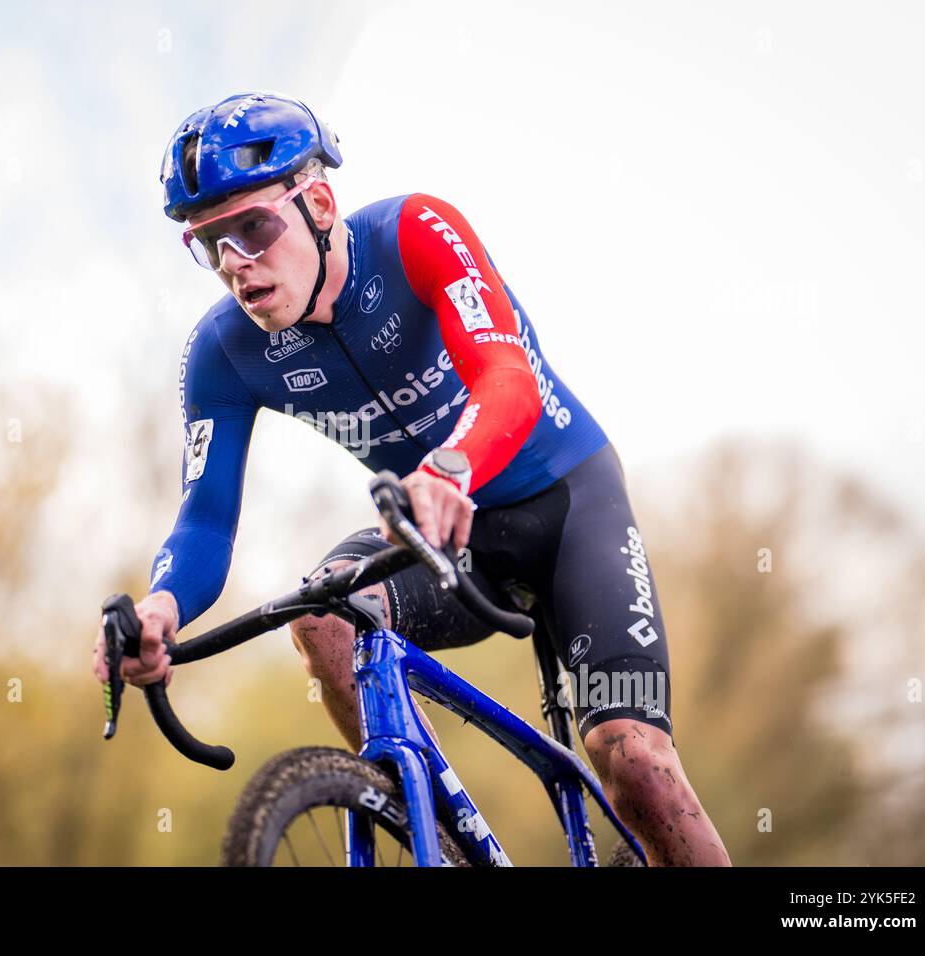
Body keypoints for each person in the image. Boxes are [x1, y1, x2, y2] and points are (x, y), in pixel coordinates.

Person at [93, 90, 731, 866]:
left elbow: (508, 375)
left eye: (254, 228)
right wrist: (160, 608)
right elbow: (203, 523)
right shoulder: (223, 353)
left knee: (632, 760)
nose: (236, 263)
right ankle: (432, 837)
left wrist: (449, 468)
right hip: (439, 537)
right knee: (324, 611)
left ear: (319, 202)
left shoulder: (415, 232)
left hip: (567, 509)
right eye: (210, 243)